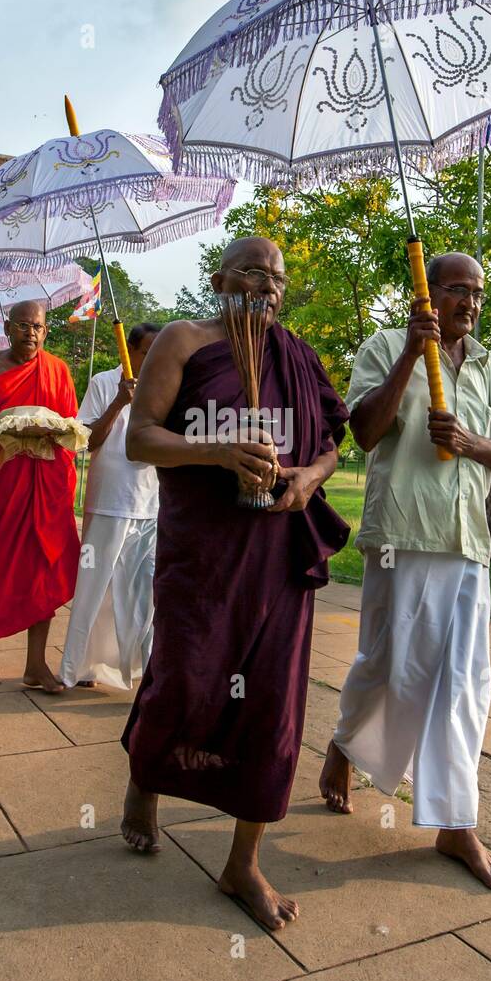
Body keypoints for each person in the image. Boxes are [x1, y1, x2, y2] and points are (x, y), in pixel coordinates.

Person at [121, 236, 349, 931]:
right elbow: (140, 438)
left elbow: (334, 442)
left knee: (271, 706)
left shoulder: (299, 356)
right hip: (205, 555)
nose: (265, 288)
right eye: (251, 274)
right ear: (219, 279)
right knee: (185, 679)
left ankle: (242, 861)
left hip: (278, 553)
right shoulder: (185, 342)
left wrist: (308, 479)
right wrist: (218, 452)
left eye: (277, 278)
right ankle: (145, 782)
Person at [318, 251, 491, 891]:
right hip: (401, 537)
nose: (469, 302)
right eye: (457, 290)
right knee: (388, 664)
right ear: (428, 291)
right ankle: (345, 744)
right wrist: (413, 354)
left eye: (477, 293)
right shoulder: (386, 346)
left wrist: (470, 444)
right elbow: (362, 431)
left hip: (467, 542)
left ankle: (453, 822)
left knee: (464, 684)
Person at [0, 301, 80, 690]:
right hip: (1, 480)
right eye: (23, 326)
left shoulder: (57, 369)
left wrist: (49, 430)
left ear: (46, 331)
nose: (31, 333)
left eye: (38, 327)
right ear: (7, 328)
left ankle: (36, 664)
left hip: (46, 482)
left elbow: (71, 427)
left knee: (45, 567)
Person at [60, 323, 161, 691]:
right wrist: (120, 401)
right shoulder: (105, 382)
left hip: (152, 501)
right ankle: (81, 666)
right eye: (147, 351)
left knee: (146, 593)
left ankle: (147, 670)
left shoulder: (168, 383)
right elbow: (88, 441)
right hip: (109, 498)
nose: (153, 358)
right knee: (95, 585)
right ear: (128, 350)